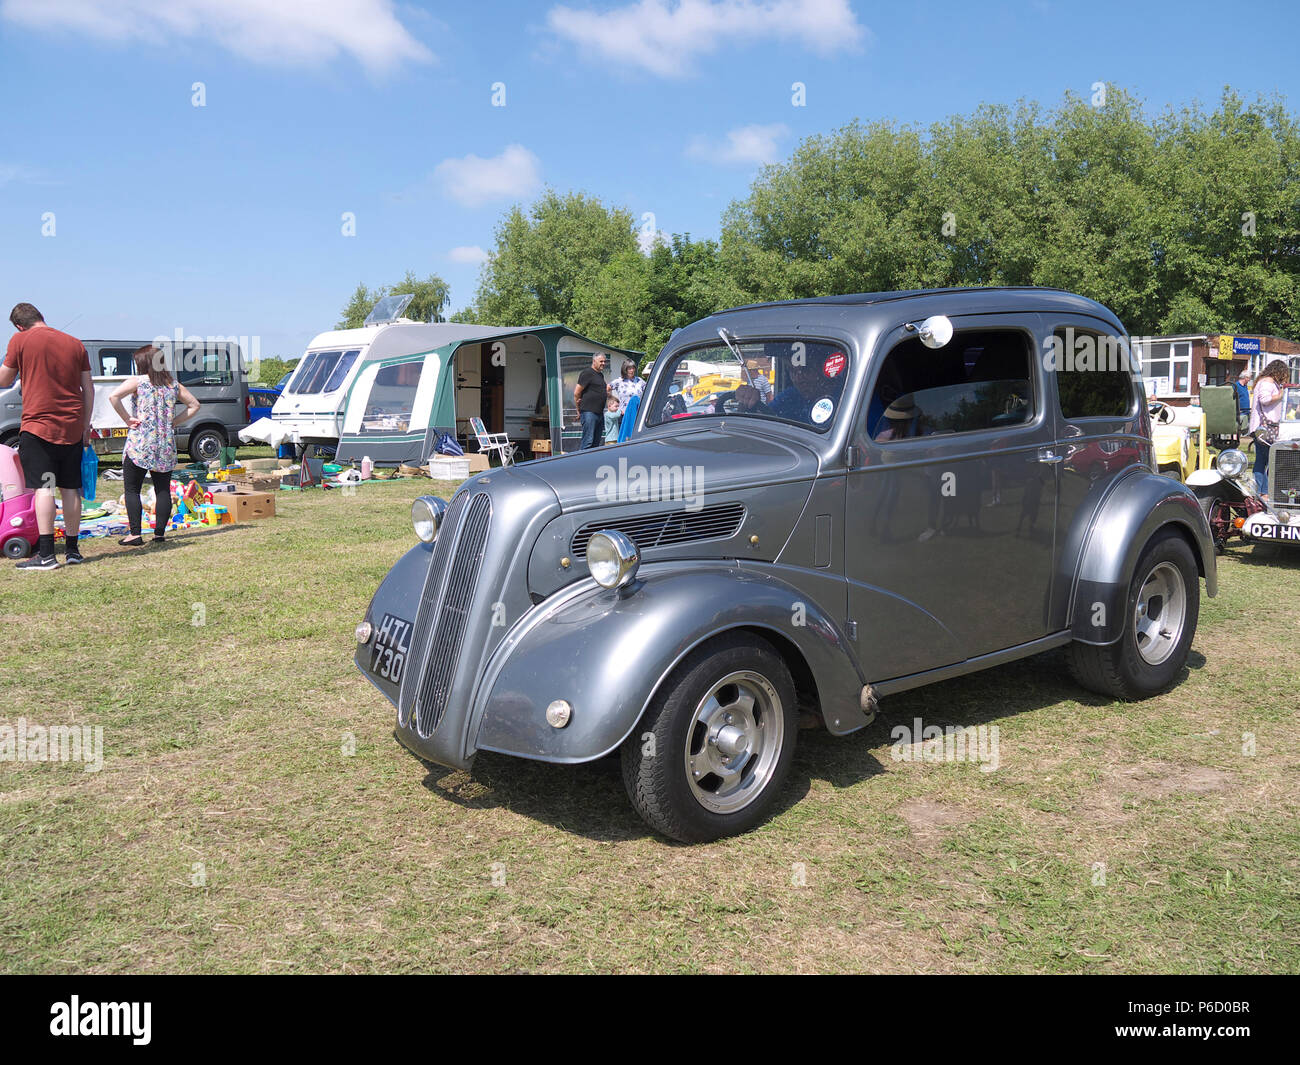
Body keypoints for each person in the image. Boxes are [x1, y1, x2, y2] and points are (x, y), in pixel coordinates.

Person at [0, 302, 93, 570]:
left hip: (38, 426)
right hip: (73, 426)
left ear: (19, 325)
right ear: (41, 317)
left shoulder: (20, 340)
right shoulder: (75, 343)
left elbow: (5, 380)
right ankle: (73, 551)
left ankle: (47, 554)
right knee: (70, 487)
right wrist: (85, 425)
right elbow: (88, 388)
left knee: (44, 488)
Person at [108, 346, 200, 545]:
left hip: (140, 443)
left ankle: (135, 534)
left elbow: (113, 396)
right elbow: (194, 405)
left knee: (132, 489)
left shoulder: (138, 382)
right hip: (164, 443)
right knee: (162, 489)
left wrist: (127, 419)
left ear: (143, 362)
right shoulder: (173, 385)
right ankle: (159, 534)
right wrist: (174, 422)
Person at [1248, 359, 1289, 498]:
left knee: (1263, 460)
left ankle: (1262, 490)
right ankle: (1264, 492)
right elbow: (1264, 400)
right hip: (1265, 428)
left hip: (1262, 427)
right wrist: (1279, 396)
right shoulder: (1267, 382)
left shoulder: (1263, 381)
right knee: (1271, 460)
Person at [574, 352, 608, 449]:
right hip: (589, 412)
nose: (603, 363)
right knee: (588, 442)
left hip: (599, 414)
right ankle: (582, 463)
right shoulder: (587, 373)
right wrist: (578, 410)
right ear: (594, 361)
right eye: (601, 361)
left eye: (604, 361)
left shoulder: (600, 375)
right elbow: (576, 393)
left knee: (596, 444)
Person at [1233, 368, 1252, 436]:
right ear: (1245, 377)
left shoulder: (1245, 386)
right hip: (1240, 412)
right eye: (1249, 378)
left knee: (1244, 430)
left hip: (1246, 411)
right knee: (1237, 430)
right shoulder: (1236, 386)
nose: (1249, 380)